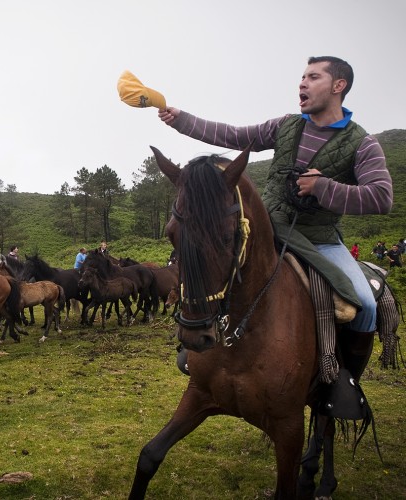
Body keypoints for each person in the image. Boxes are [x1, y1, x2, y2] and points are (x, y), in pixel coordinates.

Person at [157, 56, 392, 380]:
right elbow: (234, 135)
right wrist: (181, 120)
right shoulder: (286, 126)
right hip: (265, 227)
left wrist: (322, 187)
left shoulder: (363, 144)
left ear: (339, 86)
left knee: (365, 303)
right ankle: (199, 350)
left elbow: (382, 196)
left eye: (313, 77)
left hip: (320, 239)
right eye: (302, 76)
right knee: (218, 268)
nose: (302, 83)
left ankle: (345, 383)